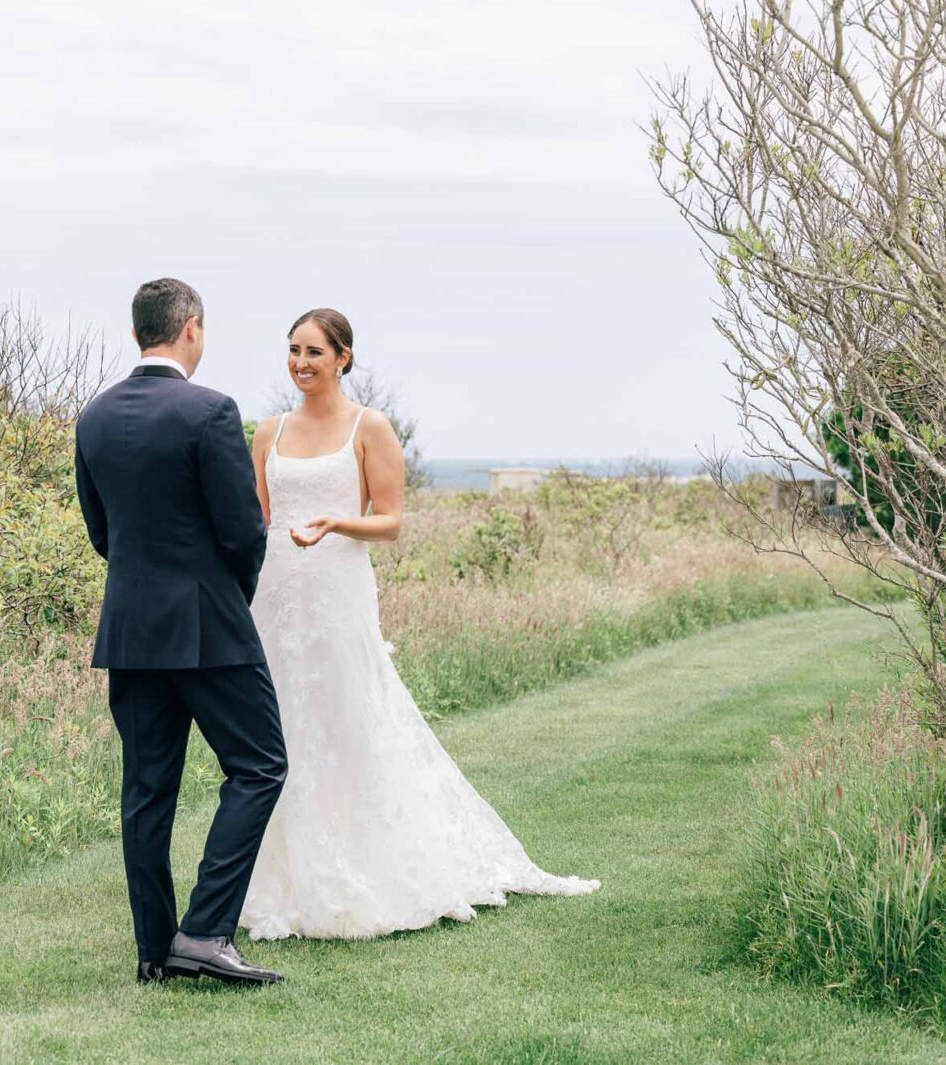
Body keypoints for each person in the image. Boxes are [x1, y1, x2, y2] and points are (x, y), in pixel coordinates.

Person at [240, 308, 599, 940]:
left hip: (337, 591)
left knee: (348, 716)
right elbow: (257, 520)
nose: (300, 363)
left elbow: (391, 520)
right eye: (293, 350)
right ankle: (281, 875)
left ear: (343, 358)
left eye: (314, 352)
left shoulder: (368, 426)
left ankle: (366, 863)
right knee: (283, 725)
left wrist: (335, 523)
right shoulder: (269, 432)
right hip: (277, 594)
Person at [74, 278, 287, 985]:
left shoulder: (94, 416)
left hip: (130, 630)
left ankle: (153, 950)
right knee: (259, 764)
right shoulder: (210, 410)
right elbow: (243, 532)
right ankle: (204, 930)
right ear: (190, 327)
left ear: (139, 330)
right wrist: (231, 598)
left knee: (146, 792)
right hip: (208, 628)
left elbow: (103, 535)